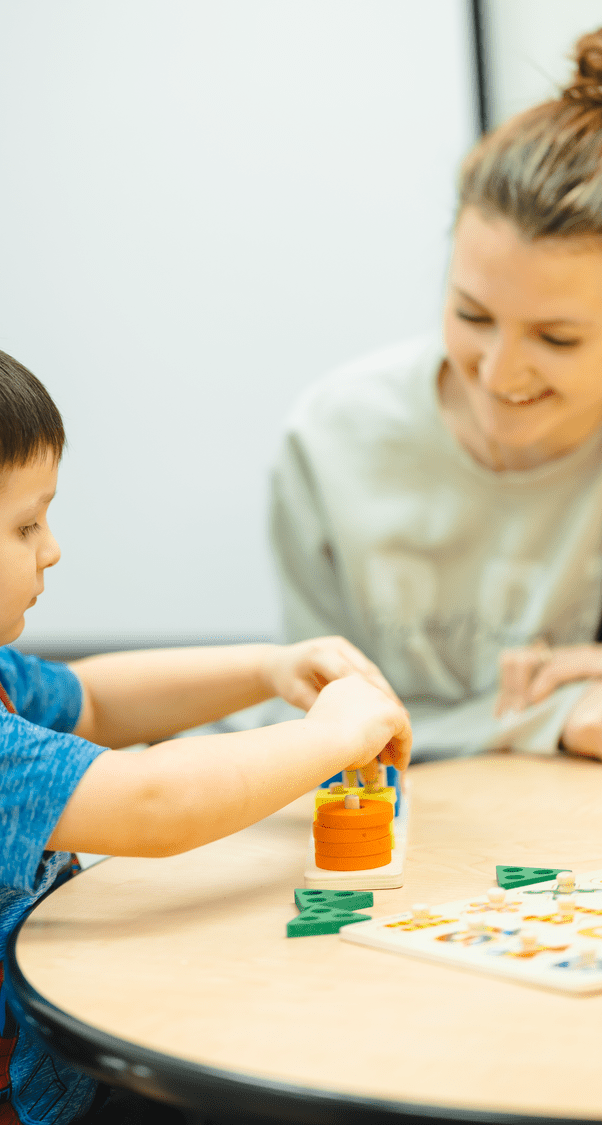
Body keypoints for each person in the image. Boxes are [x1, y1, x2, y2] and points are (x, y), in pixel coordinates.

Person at [0, 303, 410, 1123]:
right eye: (26, 524)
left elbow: (97, 698)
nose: (52, 548)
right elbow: (149, 804)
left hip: (52, 1078)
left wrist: (268, 665)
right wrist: (328, 736)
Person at [270, 28, 602, 763]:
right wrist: (546, 718)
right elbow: (319, 717)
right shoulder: (334, 435)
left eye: (556, 339)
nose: (500, 375)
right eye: (472, 316)